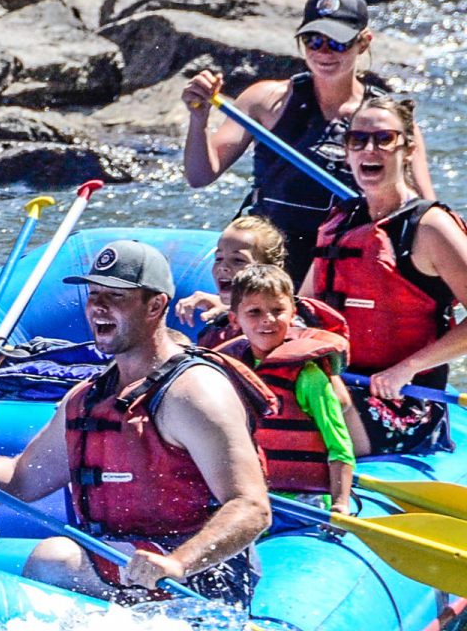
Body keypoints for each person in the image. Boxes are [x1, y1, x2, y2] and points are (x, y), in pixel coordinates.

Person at [0, 240, 275, 605]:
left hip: (201, 579)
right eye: (93, 295)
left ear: (155, 306)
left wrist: (178, 563)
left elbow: (251, 506)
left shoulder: (194, 391)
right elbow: (22, 480)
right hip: (125, 567)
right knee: (55, 561)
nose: (98, 307)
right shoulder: (88, 398)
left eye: (115, 296)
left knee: (56, 558)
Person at [182, 0, 436, 286]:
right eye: (313, 41)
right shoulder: (264, 101)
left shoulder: (388, 123)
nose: (323, 52)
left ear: (363, 42)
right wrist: (199, 119)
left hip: (343, 259)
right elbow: (200, 175)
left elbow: (422, 210)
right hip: (270, 260)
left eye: (337, 43)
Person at [302, 96, 467, 457]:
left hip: (408, 401)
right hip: (340, 380)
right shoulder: (340, 222)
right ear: (347, 151)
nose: (369, 149)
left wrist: (406, 369)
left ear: (408, 149)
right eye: (357, 140)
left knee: (320, 406)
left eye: (384, 139)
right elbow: (303, 309)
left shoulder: (430, 227)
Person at [219, 263, 354, 513]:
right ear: (234, 319)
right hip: (249, 493)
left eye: (277, 310)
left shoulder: (308, 376)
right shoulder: (228, 370)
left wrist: (340, 503)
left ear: (293, 313)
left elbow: (339, 445)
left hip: (303, 501)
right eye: (254, 312)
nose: (267, 320)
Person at [175, 214, 348, 349]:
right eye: (219, 258)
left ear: (268, 268)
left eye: (238, 260)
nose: (223, 267)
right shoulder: (224, 320)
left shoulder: (283, 326)